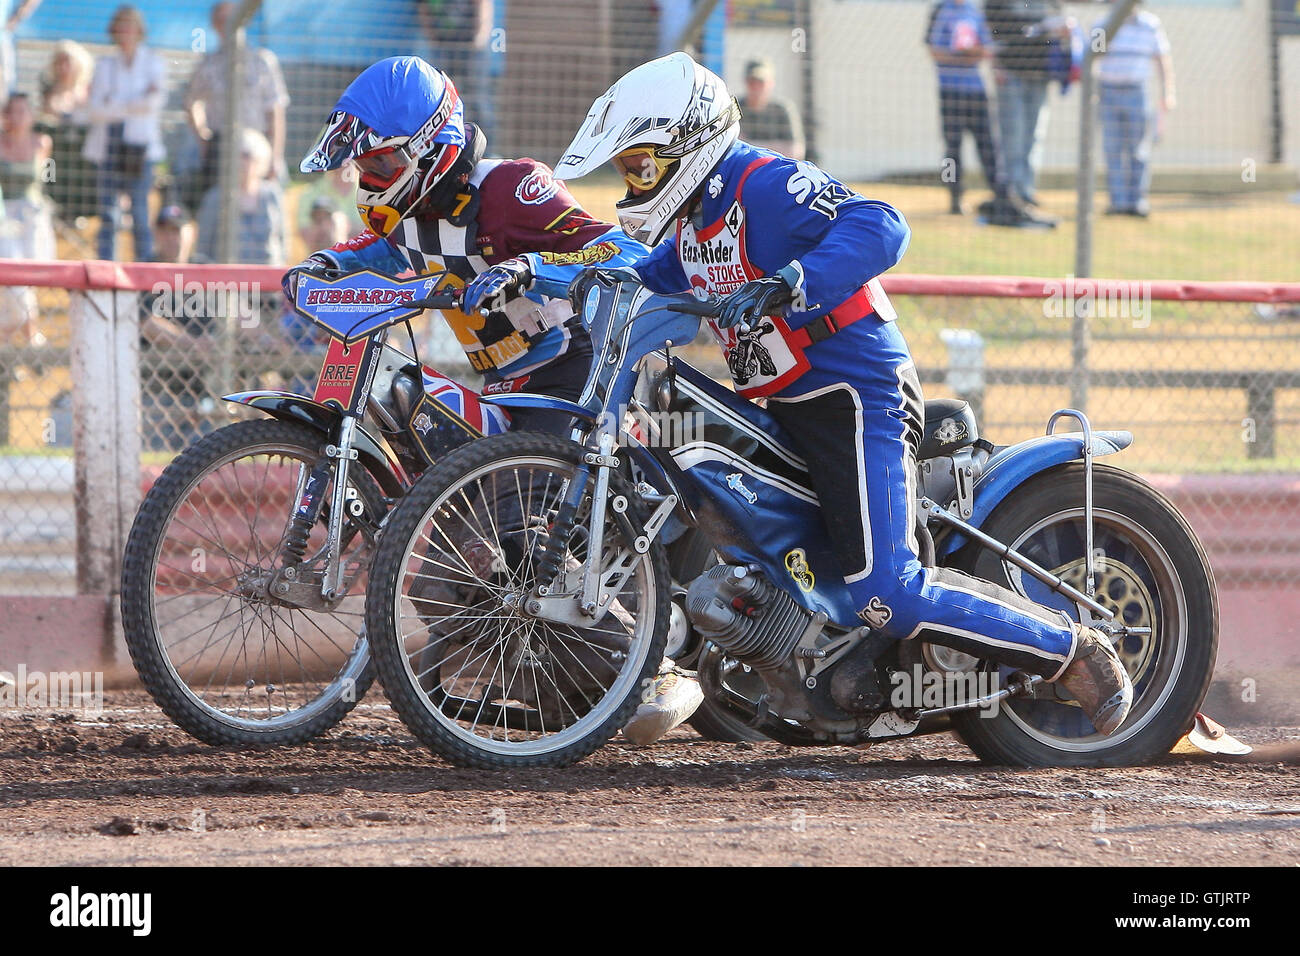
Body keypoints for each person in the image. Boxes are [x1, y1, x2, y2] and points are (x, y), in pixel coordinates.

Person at [554, 53, 1133, 737]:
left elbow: (882, 223)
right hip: (790, 405)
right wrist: (541, 272)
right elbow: (640, 272)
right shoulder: (689, 224)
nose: (634, 180)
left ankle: (1073, 651)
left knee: (887, 592)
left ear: (688, 142)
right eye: (627, 168)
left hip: (856, 392)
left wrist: (793, 279)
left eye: (642, 164)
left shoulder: (762, 183)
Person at [285, 56, 699, 742]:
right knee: (443, 566)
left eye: (381, 164)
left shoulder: (511, 189)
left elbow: (625, 252)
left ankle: (649, 668)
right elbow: (378, 251)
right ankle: (564, 691)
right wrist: (326, 265)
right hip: (509, 393)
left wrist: (531, 266)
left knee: (519, 539)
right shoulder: (409, 213)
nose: (368, 180)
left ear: (431, 148)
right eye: (364, 169)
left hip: (573, 380)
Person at [926, 0, 1050, 227]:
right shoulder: (941, 10)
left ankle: (1002, 197)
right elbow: (935, 50)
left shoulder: (974, 11)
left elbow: (988, 48)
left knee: (989, 147)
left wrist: (973, 54)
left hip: (976, 90)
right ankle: (955, 197)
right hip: (950, 90)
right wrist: (964, 55)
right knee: (952, 148)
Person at [183, 1, 289, 209]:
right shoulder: (208, 64)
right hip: (221, 147)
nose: (227, 24)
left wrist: (275, 156)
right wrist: (204, 139)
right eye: (222, 19)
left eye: (232, 18)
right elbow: (191, 102)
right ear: (215, 24)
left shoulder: (262, 61)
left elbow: (275, 111)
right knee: (218, 207)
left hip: (257, 147)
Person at [83, 4, 166, 261]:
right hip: (109, 146)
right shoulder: (105, 65)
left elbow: (154, 103)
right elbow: (95, 110)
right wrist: (135, 104)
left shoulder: (154, 62)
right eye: (121, 27)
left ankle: (145, 274)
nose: (126, 32)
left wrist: (115, 104)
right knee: (108, 215)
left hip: (141, 149)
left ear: (139, 30)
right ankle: (107, 271)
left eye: (131, 26)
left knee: (140, 213)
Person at [984, 0, 1072, 218]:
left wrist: (1063, 32)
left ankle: (1026, 191)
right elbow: (993, 30)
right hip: (1010, 73)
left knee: (1034, 137)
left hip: (1040, 75)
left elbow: (1058, 26)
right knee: (1012, 137)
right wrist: (1038, 28)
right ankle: (1011, 194)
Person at [1095, 0, 1175, 217]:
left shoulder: (1150, 25)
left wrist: (1168, 92)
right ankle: (1118, 203)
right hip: (1108, 92)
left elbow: (1162, 59)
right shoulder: (1101, 25)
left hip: (1137, 92)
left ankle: (1137, 202)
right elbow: (1093, 60)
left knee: (1138, 149)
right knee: (1112, 149)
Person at [196, 126, 285, 263]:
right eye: (235, 155)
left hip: (269, 277)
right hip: (228, 281)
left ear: (259, 158)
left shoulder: (272, 195)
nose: (240, 162)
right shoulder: (215, 197)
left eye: (246, 155)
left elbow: (282, 240)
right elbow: (203, 248)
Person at [416, 0, 495, 145]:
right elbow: (423, 7)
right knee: (438, 97)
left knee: (477, 99)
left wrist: (479, 36)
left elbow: (483, 5)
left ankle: (485, 149)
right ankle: (443, 146)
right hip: (443, 45)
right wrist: (434, 38)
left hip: (470, 45)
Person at [37, 39, 97, 224]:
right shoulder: (49, 94)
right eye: (59, 62)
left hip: (83, 161)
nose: (63, 67)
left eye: (67, 62)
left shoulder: (89, 93)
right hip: (55, 160)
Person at [738, 58, 804, 160]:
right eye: (752, 81)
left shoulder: (783, 110)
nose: (756, 87)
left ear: (771, 83)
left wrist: (747, 145)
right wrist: (775, 147)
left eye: (760, 82)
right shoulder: (736, 108)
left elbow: (795, 151)